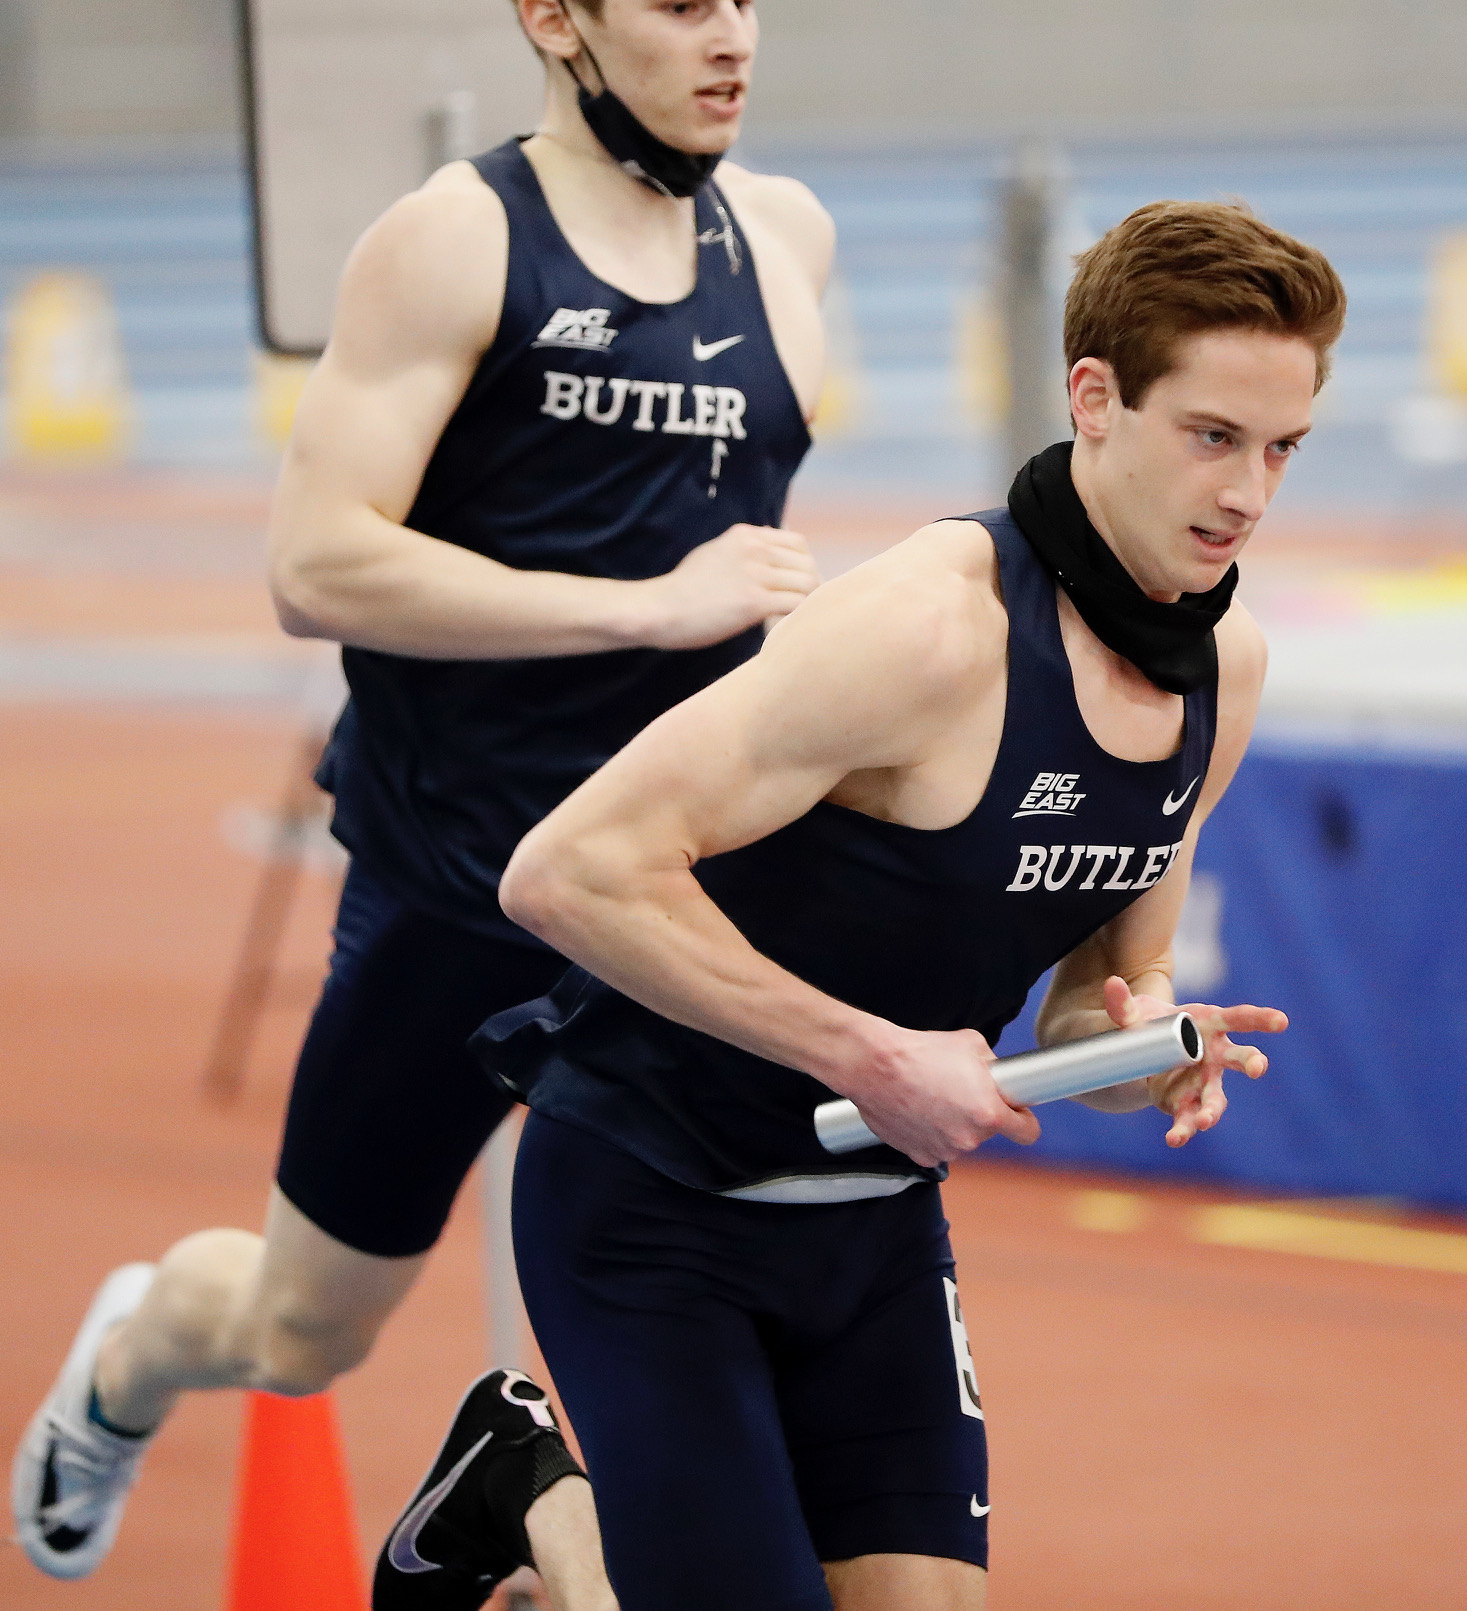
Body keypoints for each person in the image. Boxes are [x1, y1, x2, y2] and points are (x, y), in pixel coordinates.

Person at [408, 199, 1346, 1611]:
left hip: (872, 1221)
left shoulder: (1227, 679)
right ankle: (529, 1494)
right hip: (654, 1204)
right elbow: (566, 871)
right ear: (1093, 401)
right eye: (1211, 436)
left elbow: (1097, 983)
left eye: (1283, 449)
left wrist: (1138, 1046)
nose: (1248, 496)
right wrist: (862, 1053)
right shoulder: (927, 629)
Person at [10, 3, 829, 1604]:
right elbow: (316, 564)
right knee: (301, 1335)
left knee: (732, 1330)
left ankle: (537, 1523)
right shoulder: (455, 240)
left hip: (678, 892)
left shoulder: (786, 238)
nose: (730, 36)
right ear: (555, 19)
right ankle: (134, 1354)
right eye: (679, 2)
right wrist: (642, 607)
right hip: (462, 887)